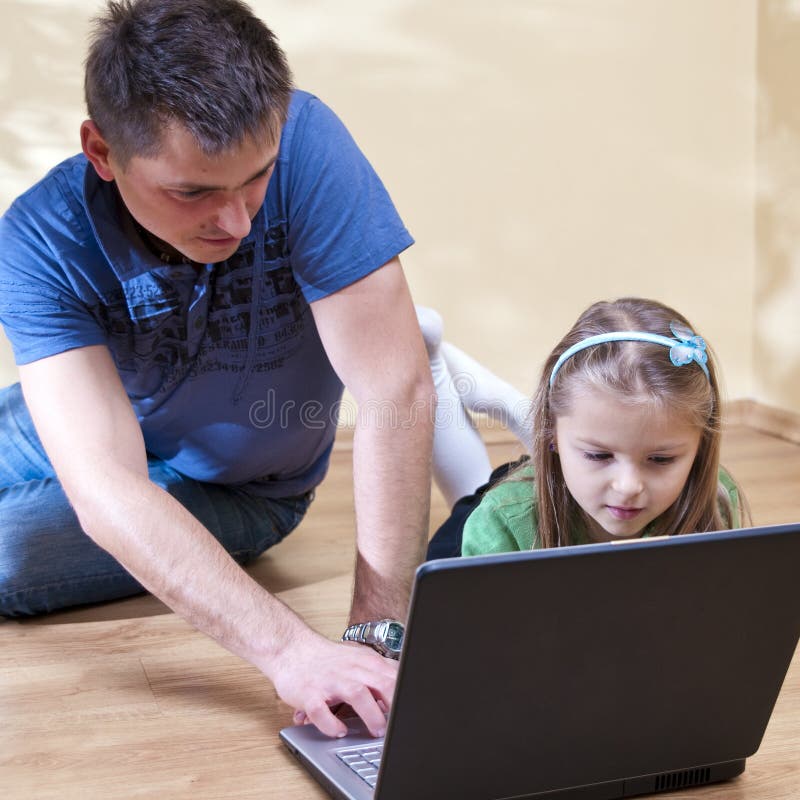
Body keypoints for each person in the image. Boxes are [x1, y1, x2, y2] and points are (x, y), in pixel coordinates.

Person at [0, 0, 434, 740]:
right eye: (192, 192)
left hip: (241, 487)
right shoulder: (38, 238)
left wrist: (372, 640)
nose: (234, 220)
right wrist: (296, 651)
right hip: (96, 423)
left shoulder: (308, 142)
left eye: (255, 178)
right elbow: (107, 485)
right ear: (101, 152)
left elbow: (394, 391)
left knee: (10, 557)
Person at [419, 297, 747, 559]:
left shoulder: (714, 497)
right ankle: (437, 366)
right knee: (470, 491)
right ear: (550, 434)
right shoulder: (499, 521)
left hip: (563, 476)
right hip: (513, 506)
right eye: (599, 454)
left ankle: (511, 404)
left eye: (661, 459)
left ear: (702, 446)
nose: (628, 486)